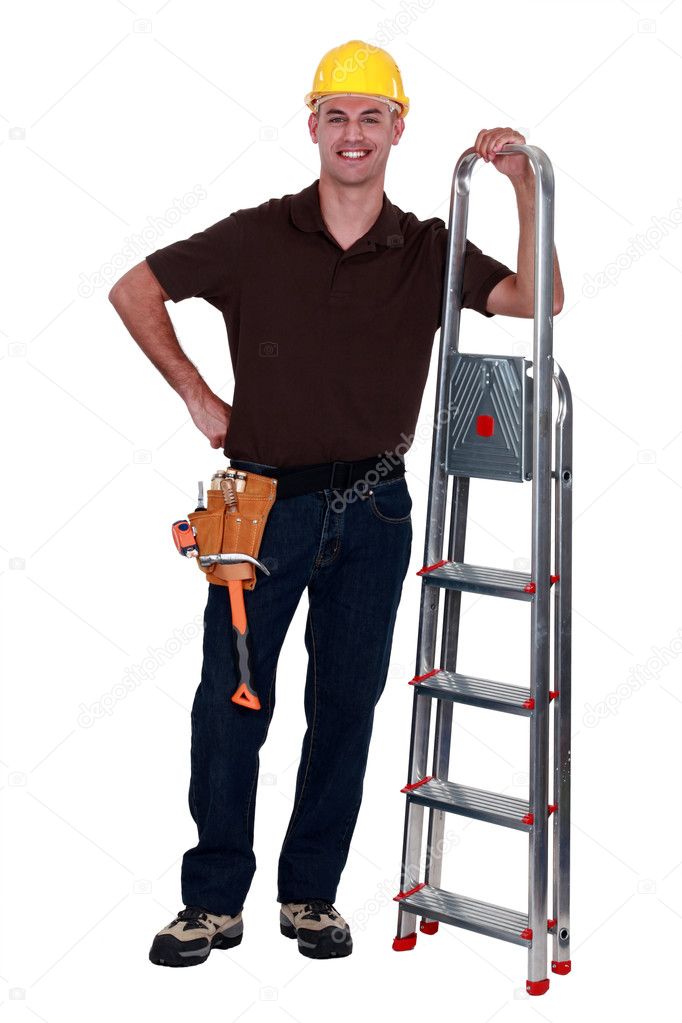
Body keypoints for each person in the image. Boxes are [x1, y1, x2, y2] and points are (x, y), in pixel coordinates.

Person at [108, 38, 565, 966]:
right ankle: (212, 902)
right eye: (336, 117)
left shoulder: (427, 249)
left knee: (345, 705)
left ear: (398, 128)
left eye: (371, 117)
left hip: (375, 511)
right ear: (312, 124)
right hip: (261, 512)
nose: (352, 135)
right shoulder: (256, 235)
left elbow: (537, 294)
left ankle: (310, 894)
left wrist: (521, 184)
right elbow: (134, 289)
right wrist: (200, 397)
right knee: (230, 703)